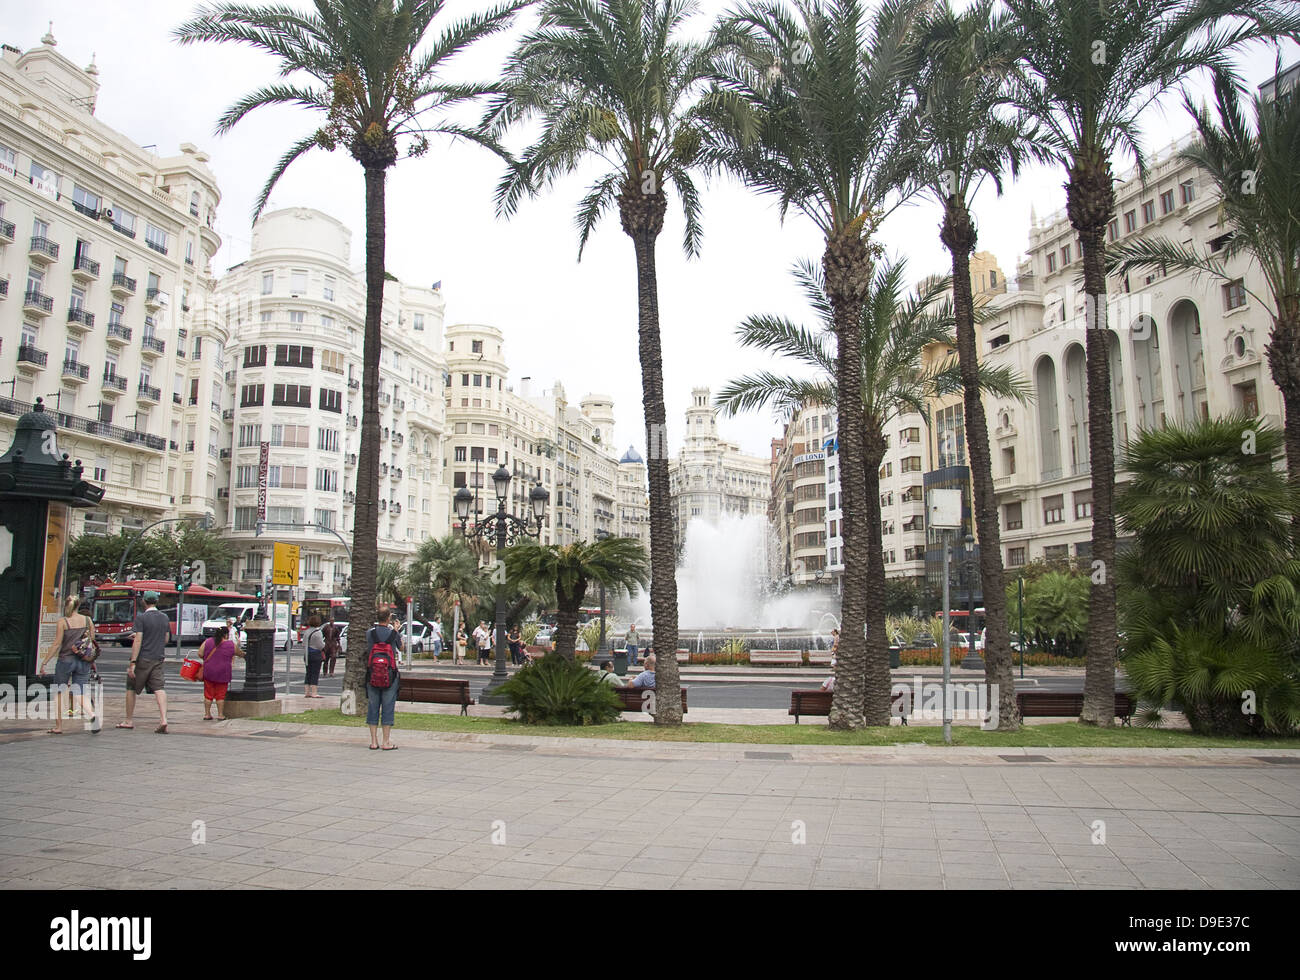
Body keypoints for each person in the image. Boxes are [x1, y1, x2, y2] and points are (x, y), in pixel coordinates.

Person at [39, 598, 98, 734]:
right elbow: (92, 640)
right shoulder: (87, 620)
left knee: (59, 693)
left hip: (65, 660)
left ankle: (58, 726)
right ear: (78, 605)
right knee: (80, 691)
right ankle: (92, 715)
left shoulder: (63, 622)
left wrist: (44, 662)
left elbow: (56, 644)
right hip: (83, 660)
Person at [119, 591, 170, 733]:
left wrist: (133, 663)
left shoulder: (141, 618)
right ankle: (164, 719)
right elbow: (165, 639)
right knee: (159, 688)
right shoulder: (164, 617)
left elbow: (138, 640)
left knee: (131, 687)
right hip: (158, 657)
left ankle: (128, 720)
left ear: (144, 602)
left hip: (143, 658)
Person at [365, 608, 403, 751]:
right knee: (388, 707)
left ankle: (374, 741)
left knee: (373, 706)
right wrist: (396, 630)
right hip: (390, 676)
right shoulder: (393, 634)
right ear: (388, 618)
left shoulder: (370, 633)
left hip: (372, 674)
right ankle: (386, 741)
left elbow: (368, 650)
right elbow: (402, 648)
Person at [199, 624, 244, 720]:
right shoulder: (230, 644)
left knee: (208, 694)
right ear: (226, 635)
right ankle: (220, 715)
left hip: (209, 671)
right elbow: (240, 653)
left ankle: (207, 714)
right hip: (223, 673)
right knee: (220, 695)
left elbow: (200, 653)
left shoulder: (207, 641)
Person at [303, 615, 326, 698]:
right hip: (316, 654)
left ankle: (307, 692)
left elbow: (303, 644)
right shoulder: (318, 632)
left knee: (308, 673)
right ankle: (314, 692)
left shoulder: (306, 631)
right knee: (315, 673)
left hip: (307, 654)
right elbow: (321, 646)